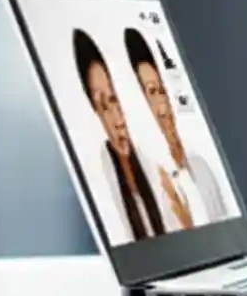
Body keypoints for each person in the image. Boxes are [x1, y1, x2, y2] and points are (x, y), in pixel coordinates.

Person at [124, 27, 229, 228]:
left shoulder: (200, 166)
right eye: (152, 92)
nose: (163, 107)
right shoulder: (150, 189)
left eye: (163, 91)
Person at [73, 29, 167, 243]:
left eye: (114, 99)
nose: (118, 120)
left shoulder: (154, 170)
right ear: (94, 113)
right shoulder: (104, 182)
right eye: (103, 106)